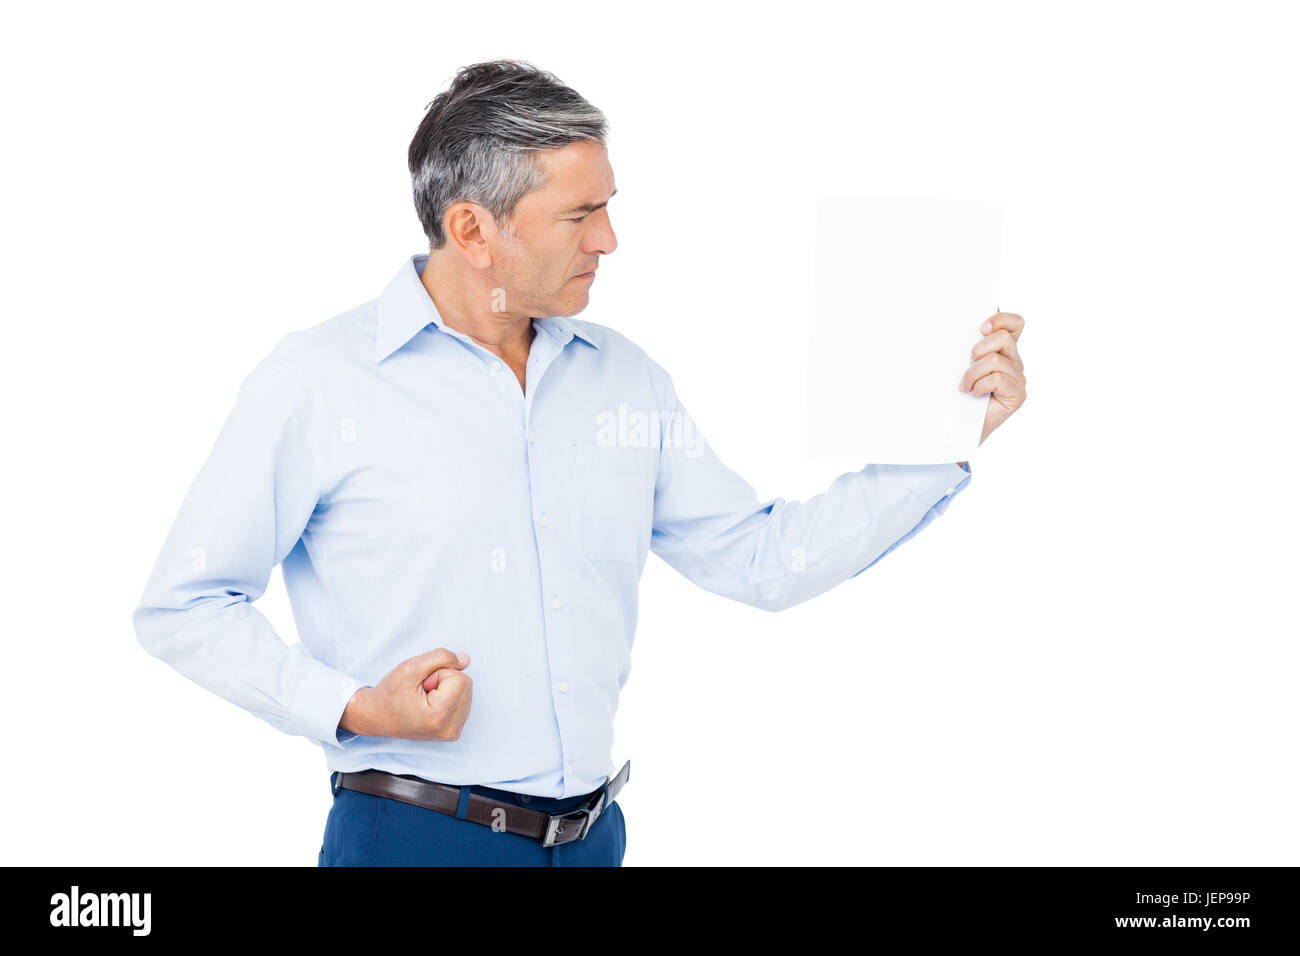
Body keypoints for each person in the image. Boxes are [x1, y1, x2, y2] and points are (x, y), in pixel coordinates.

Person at [132, 59, 1028, 867]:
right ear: (473, 229)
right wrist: (353, 707)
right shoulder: (319, 382)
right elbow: (185, 605)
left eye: (608, 206)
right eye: (580, 214)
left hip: (594, 844)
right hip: (411, 844)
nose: (608, 241)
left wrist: (946, 437)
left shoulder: (624, 381)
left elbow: (762, 560)